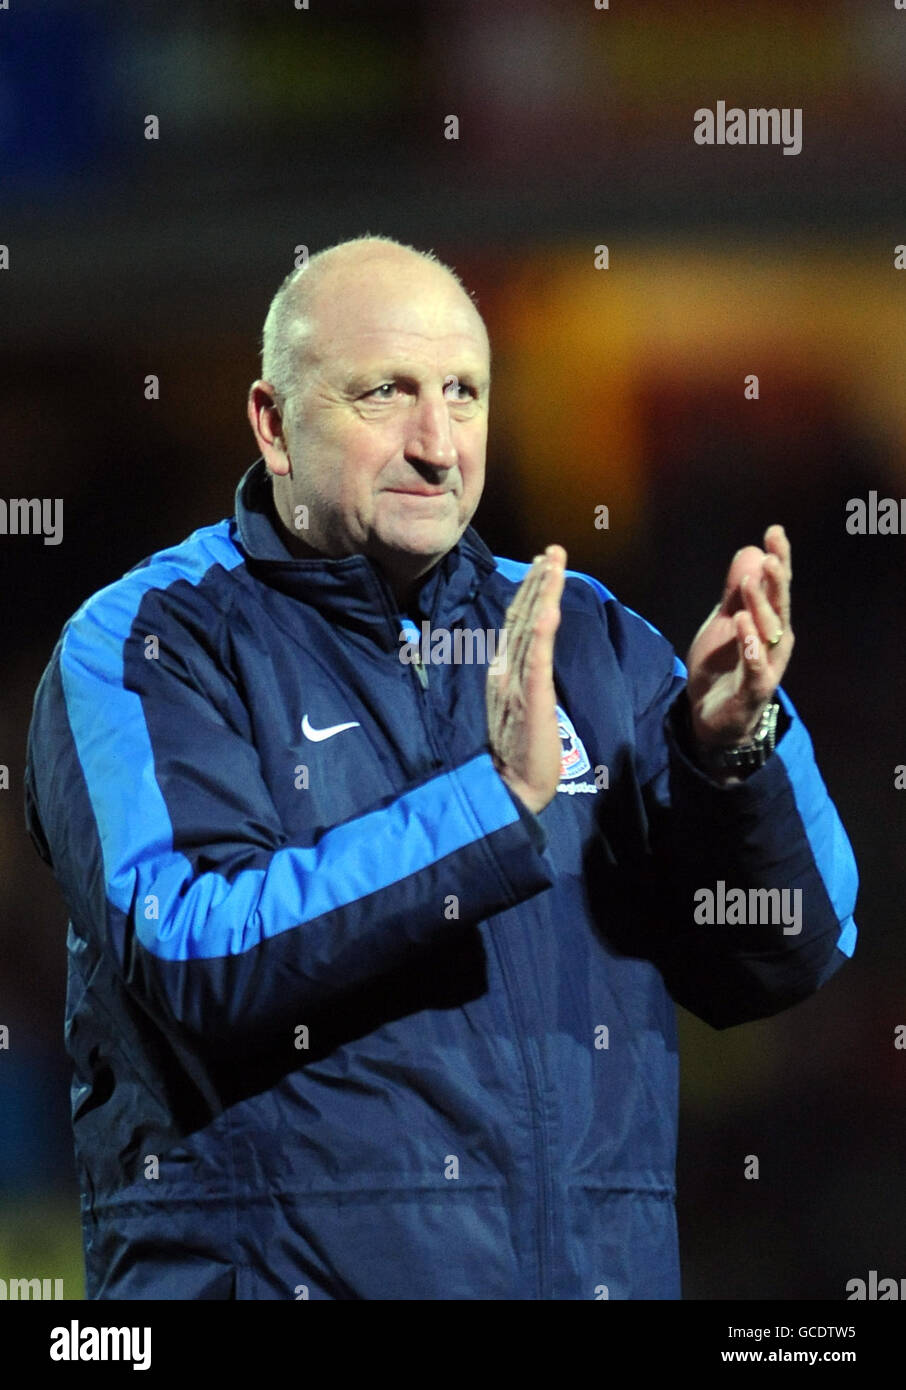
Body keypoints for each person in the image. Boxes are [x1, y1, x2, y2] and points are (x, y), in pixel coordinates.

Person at [24, 235, 857, 1300]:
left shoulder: (591, 640)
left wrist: (729, 752)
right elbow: (195, 947)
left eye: (465, 393)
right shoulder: (149, 644)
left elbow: (792, 953)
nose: (437, 442)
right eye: (386, 393)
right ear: (273, 424)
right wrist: (489, 807)